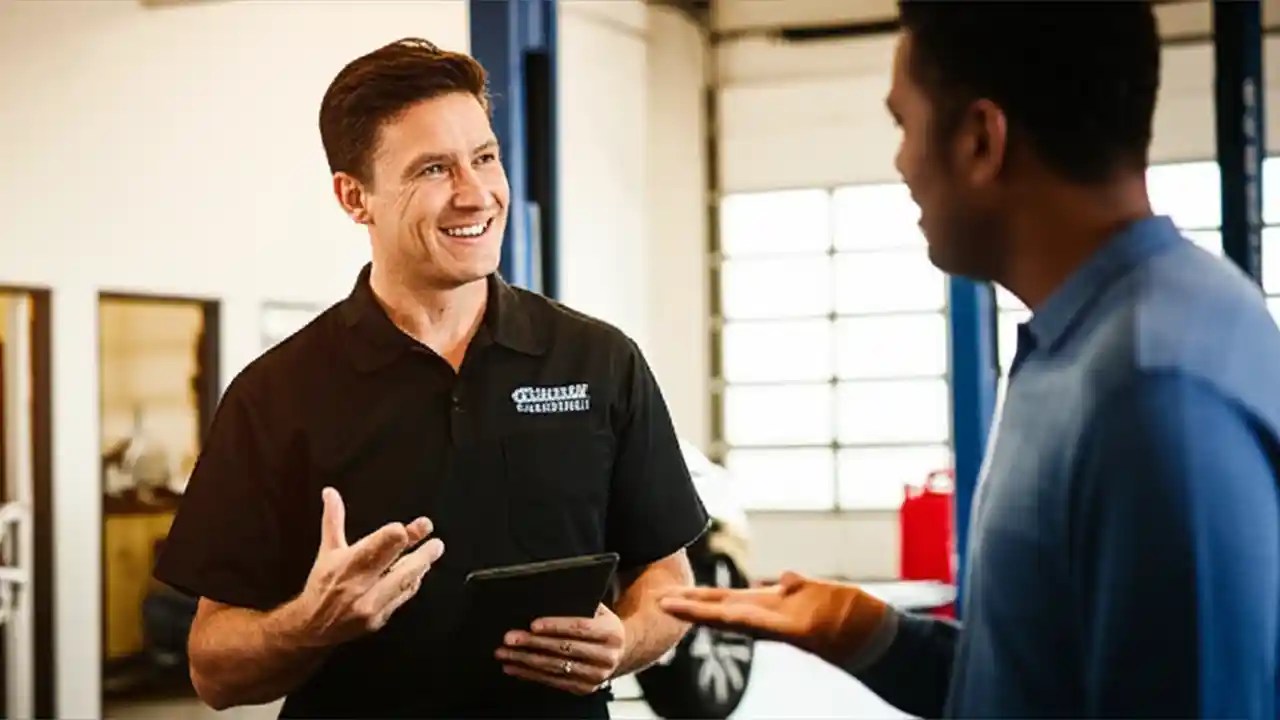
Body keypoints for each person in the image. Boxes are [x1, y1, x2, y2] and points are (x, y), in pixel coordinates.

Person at [660, 2, 1280, 718]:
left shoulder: (1155, 393)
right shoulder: (1080, 346)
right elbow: (1034, 686)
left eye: (903, 124)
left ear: (982, 139)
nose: (900, 163)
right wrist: (867, 632)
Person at [153, 37, 709, 719]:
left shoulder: (599, 362)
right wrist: (311, 622)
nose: (476, 194)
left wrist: (622, 642)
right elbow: (213, 667)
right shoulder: (276, 394)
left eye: (484, 157)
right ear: (355, 198)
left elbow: (667, 581)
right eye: (433, 170)